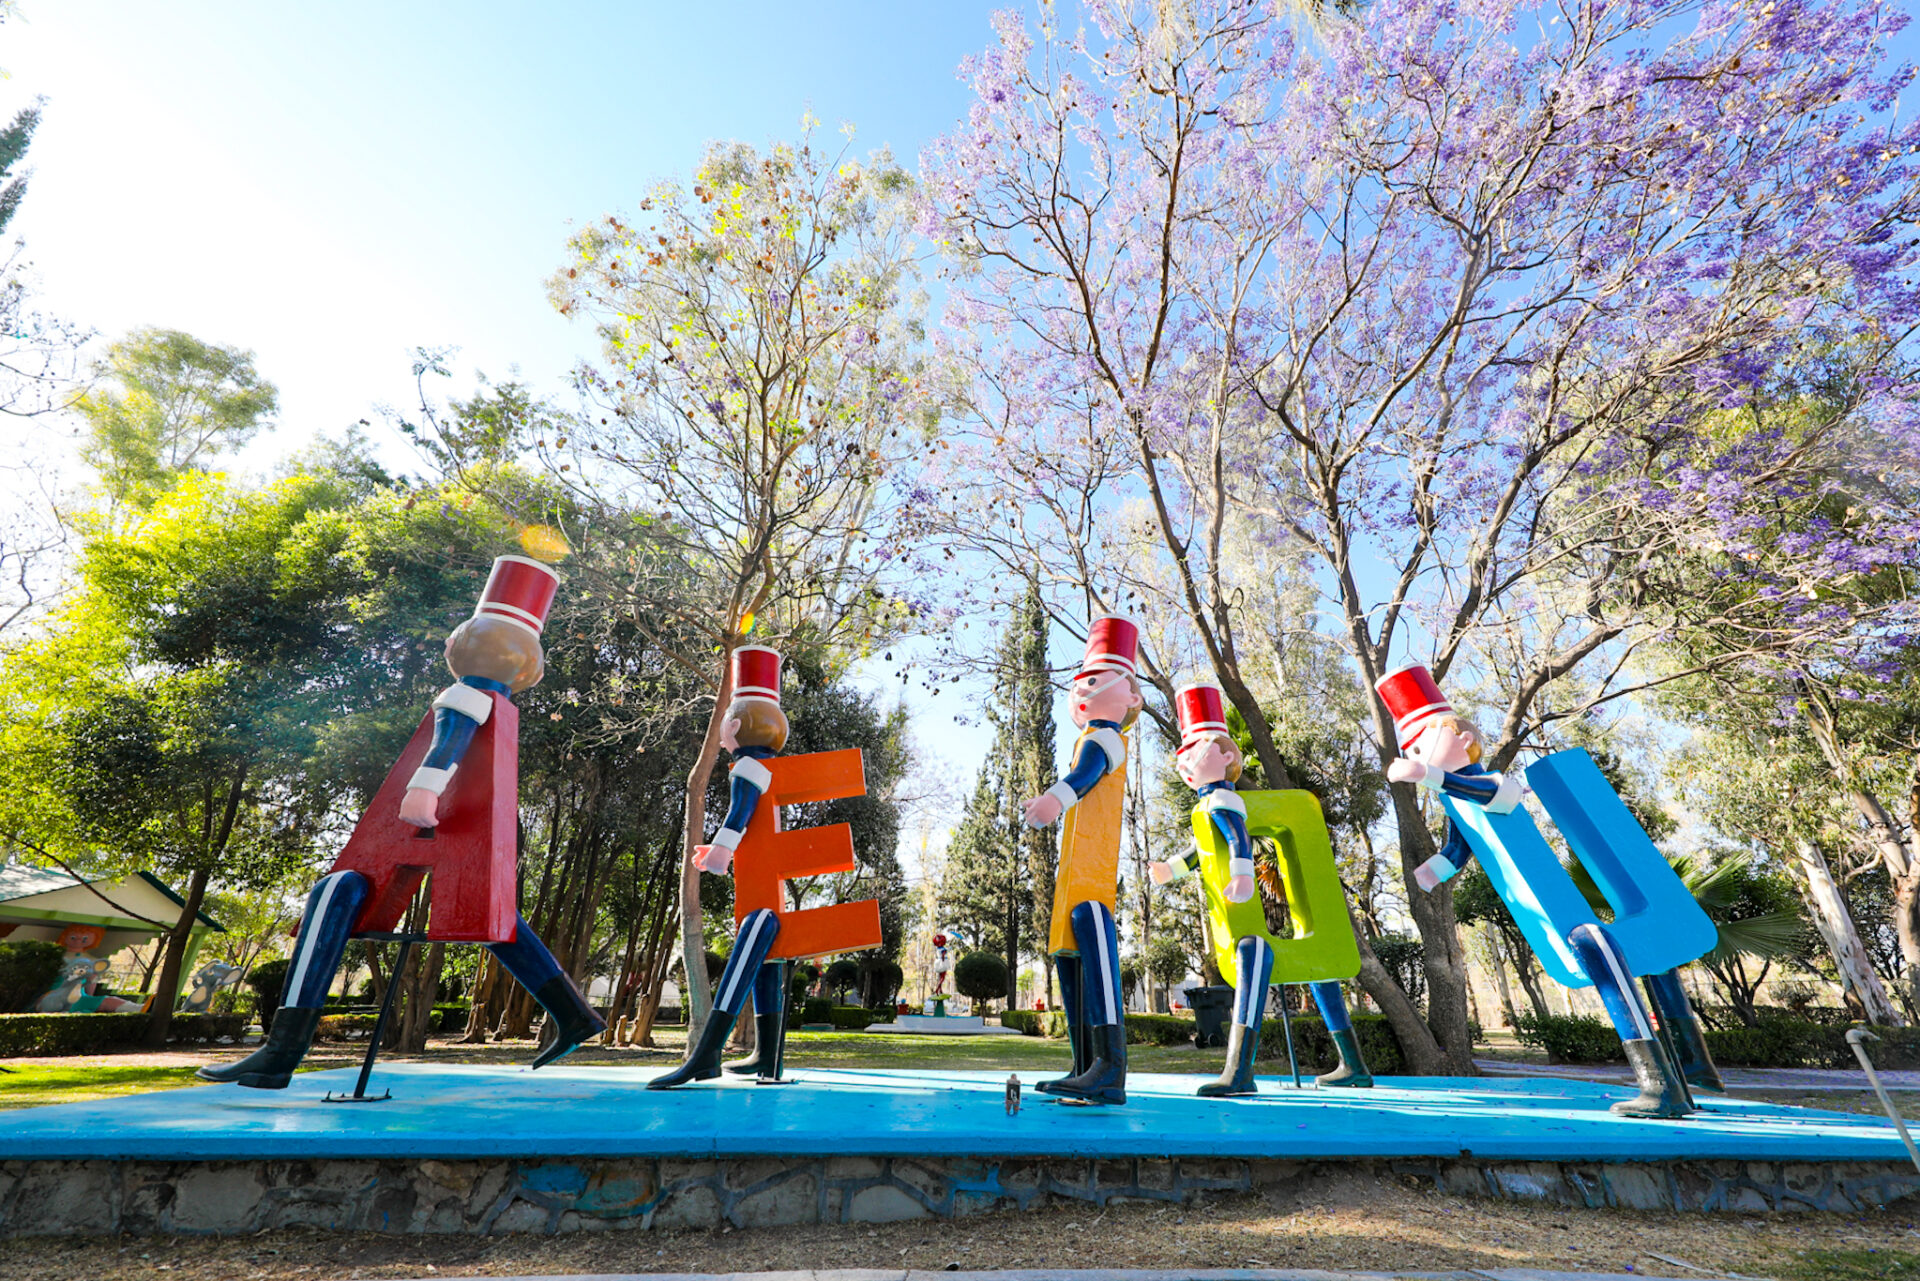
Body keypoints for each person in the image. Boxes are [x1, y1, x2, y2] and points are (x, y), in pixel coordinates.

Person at [199, 556, 603, 1089]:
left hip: (429, 815)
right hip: (473, 826)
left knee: (335, 891)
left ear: (461, 644)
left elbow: (450, 738)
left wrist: (422, 788)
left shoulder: (463, 694)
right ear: (529, 665)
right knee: (488, 911)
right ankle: (573, 1013)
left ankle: (281, 1050)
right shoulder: (505, 710)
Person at [1377, 665, 1690, 1117]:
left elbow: (1490, 796)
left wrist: (1427, 774)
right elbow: (1461, 843)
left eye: (1426, 741)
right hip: (1534, 909)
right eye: (1415, 748)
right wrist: (1436, 870)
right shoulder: (1454, 798)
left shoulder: (1489, 782)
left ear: (1464, 742)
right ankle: (1673, 1081)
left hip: (1556, 901)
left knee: (1596, 944)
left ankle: (1662, 1084)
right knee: (1591, 948)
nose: (1419, 752)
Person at [1151, 683, 1373, 1095]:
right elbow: (1202, 850)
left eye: (1197, 749)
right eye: (1184, 753)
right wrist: (1171, 868)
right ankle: (1353, 1063)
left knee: (1258, 955)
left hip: (1243, 903)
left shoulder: (1222, 799)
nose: (1186, 759)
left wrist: (1242, 876)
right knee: (1319, 966)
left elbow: (1237, 838)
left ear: (1228, 757)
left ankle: (1240, 1071)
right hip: (1239, 904)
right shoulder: (1208, 805)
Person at [650, 645, 793, 1088]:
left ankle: (708, 1052)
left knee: (749, 948)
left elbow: (741, 812)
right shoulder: (771, 766)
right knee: (767, 961)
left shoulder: (747, 766)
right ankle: (768, 1058)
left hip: (761, 890)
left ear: (735, 724)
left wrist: (721, 850)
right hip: (772, 880)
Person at [1022, 615, 1141, 1106]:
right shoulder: (1085, 736)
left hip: (1091, 876)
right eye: (1078, 685)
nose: (1081, 692)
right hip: (1073, 871)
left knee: (1091, 938)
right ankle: (1081, 1064)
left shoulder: (1105, 738)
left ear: (1130, 696)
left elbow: (1088, 775)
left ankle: (1110, 1068)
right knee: (1068, 957)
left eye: (1094, 681)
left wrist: (1055, 798)